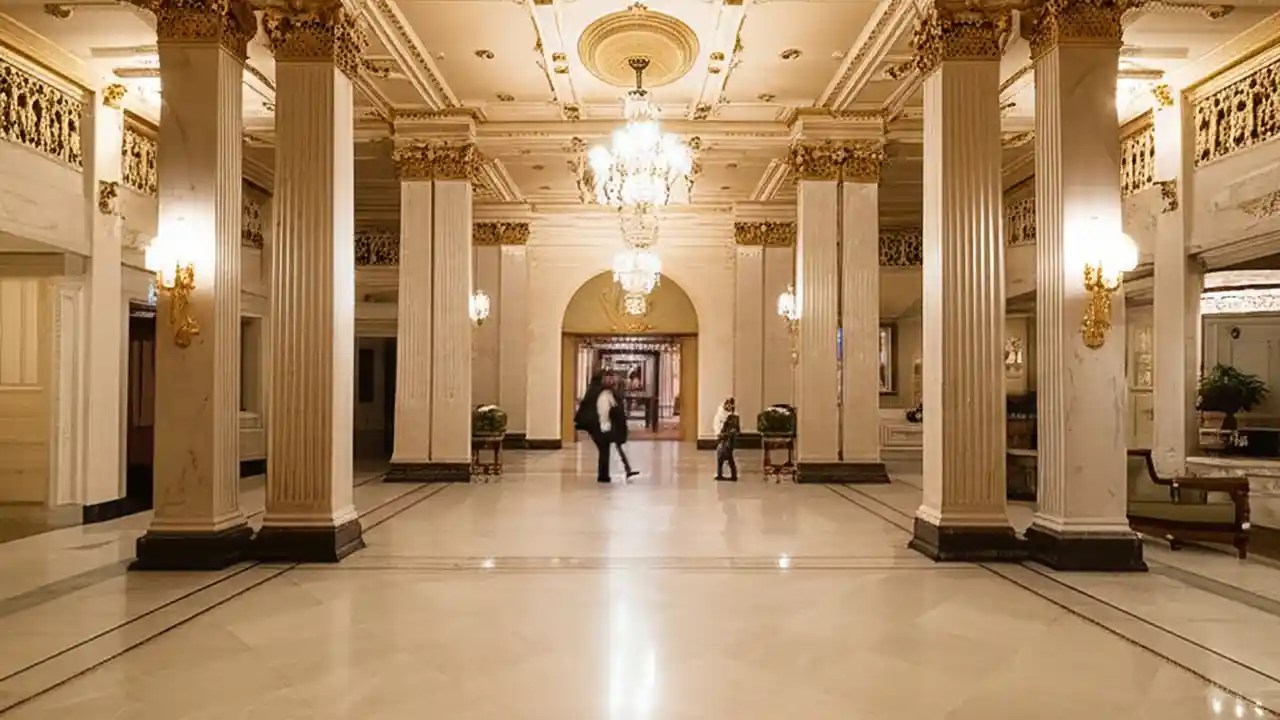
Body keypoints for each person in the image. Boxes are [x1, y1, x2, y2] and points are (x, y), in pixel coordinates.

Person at [575, 370, 613, 483]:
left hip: (592, 424)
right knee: (604, 448)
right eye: (607, 377)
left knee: (603, 448)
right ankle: (603, 475)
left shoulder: (592, 390)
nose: (609, 380)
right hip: (597, 423)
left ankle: (604, 474)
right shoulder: (601, 392)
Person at [608, 380, 640, 480]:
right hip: (615, 425)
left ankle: (628, 469)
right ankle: (627, 469)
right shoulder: (614, 397)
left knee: (618, 447)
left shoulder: (616, 397)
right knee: (614, 447)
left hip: (616, 425)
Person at [714, 397, 740, 482]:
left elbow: (736, 429)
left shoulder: (734, 416)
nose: (728, 406)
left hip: (729, 439)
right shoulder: (722, 414)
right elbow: (719, 426)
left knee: (729, 457)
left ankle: (732, 475)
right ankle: (721, 474)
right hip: (724, 439)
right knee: (721, 457)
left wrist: (729, 434)